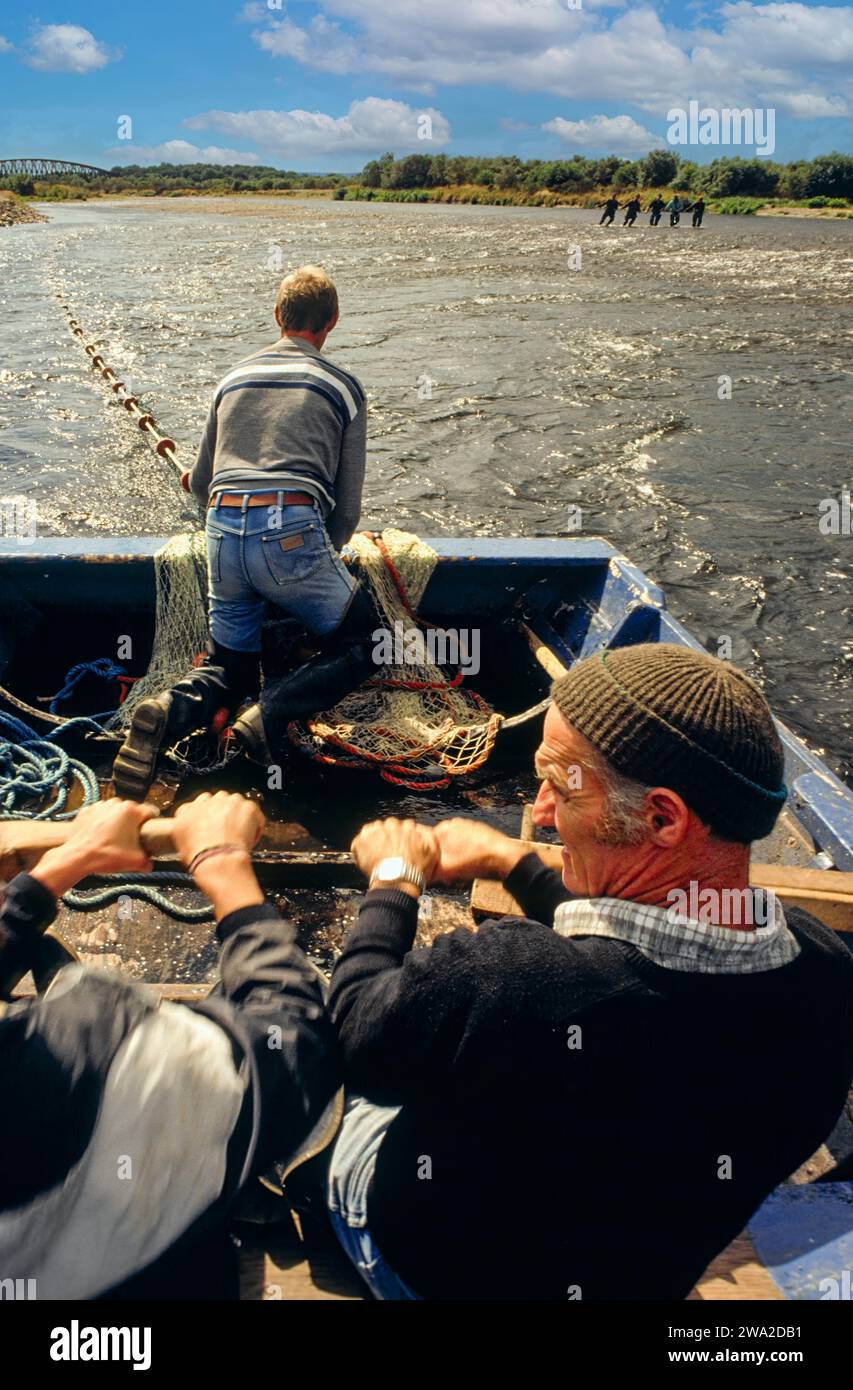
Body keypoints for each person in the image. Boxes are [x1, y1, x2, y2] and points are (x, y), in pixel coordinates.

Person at [323, 644, 853, 1300]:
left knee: (312, 1035)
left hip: (428, 1269)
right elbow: (633, 964)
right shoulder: (823, 970)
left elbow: (359, 1032)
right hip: (631, 1272)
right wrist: (517, 866)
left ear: (662, 818)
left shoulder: (507, 976)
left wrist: (392, 879)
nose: (540, 811)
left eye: (561, 785)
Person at [0, 793, 340, 1299]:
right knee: (265, 1006)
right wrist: (224, 869)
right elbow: (291, 1050)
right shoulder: (94, 1052)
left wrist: (47, 880)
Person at [113, 264, 369, 800]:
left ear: (278, 316)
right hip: (293, 533)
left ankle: (169, 708)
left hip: (223, 532)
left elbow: (203, 484)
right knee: (367, 642)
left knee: (230, 662)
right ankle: (266, 716)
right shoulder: (344, 387)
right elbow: (345, 511)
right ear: (333, 323)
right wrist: (321, 559)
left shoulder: (231, 378)